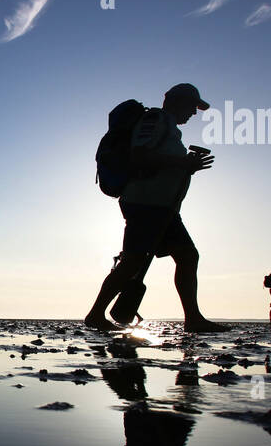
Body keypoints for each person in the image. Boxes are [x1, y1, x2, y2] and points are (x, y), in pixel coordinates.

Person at [84, 83, 228, 333]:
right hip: (145, 203)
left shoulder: (169, 128)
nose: (194, 113)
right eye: (192, 106)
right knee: (133, 262)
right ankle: (95, 315)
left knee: (183, 256)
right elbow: (140, 155)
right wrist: (183, 163)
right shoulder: (155, 119)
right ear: (176, 101)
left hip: (162, 207)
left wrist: (185, 165)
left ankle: (193, 318)